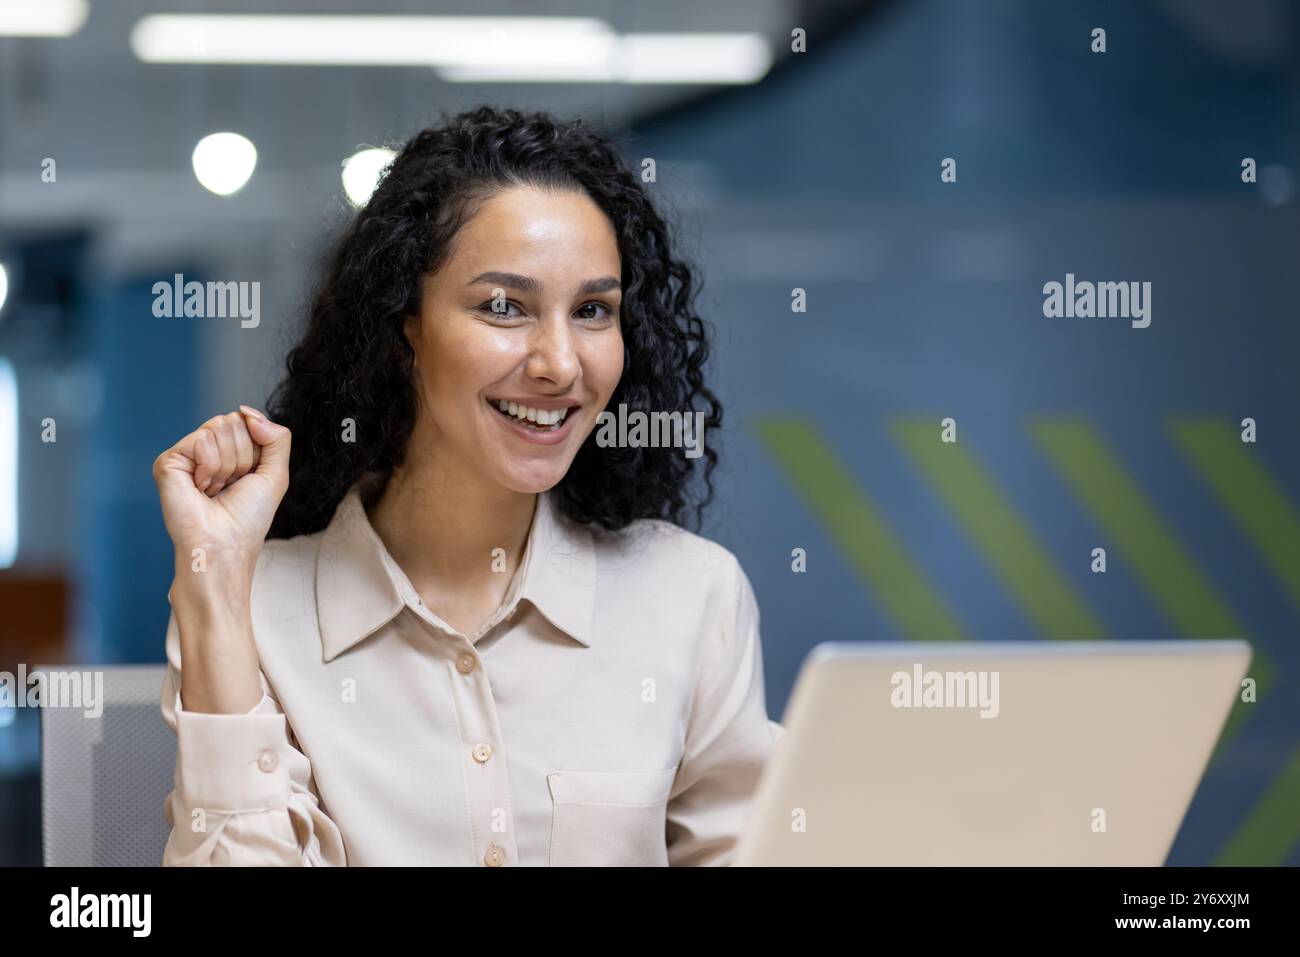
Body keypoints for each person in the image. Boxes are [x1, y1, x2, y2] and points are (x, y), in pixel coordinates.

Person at [152, 106, 782, 866]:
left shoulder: (692, 597)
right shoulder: (254, 609)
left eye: (592, 311)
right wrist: (216, 583)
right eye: (504, 307)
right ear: (405, 323)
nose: (559, 362)